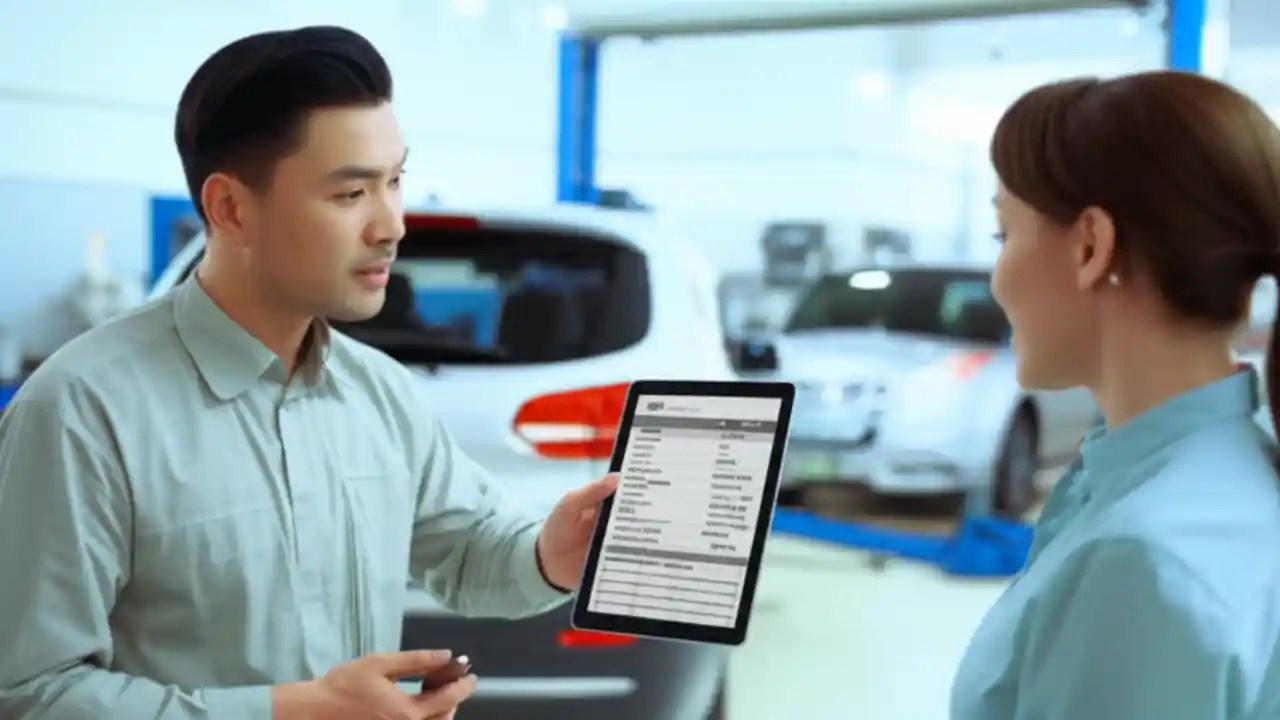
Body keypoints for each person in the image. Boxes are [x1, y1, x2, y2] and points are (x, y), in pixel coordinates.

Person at [0, 26, 617, 720]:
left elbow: (468, 550)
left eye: (394, 182)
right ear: (231, 208)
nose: (391, 226)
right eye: (351, 194)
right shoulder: (84, 412)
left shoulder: (378, 393)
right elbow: (30, 692)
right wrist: (293, 711)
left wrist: (552, 552)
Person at [950, 70, 1280, 720]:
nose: (995, 282)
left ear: (1092, 246)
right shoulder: (1235, 472)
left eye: (1004, 235)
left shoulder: (1140, 562)